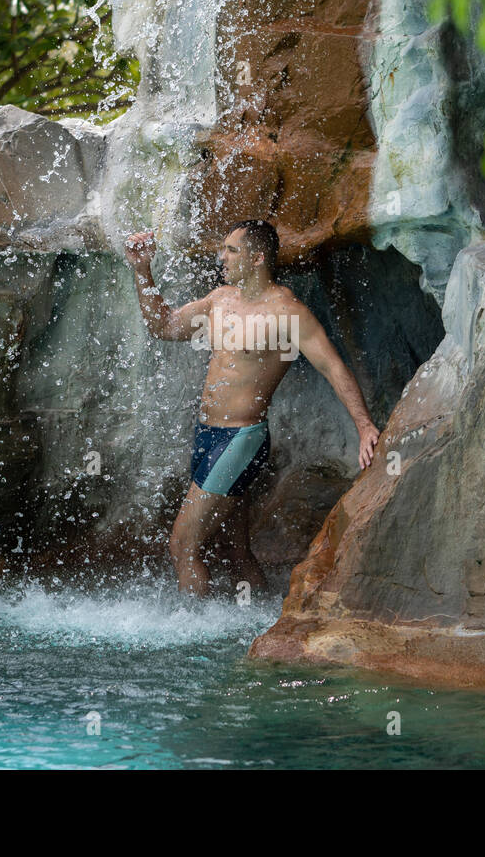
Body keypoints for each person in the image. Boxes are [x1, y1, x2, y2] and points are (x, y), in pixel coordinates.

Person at [122, 219, 380, 597]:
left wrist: (364, 425)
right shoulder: (220, 299)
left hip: (241, 440)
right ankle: (256, 616)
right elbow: (164, 325)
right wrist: (142, 270)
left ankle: (188, 636)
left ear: (257, 258)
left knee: (183, 544)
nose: (222, 256)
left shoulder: (286, 312)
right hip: (207, 434)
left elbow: (331, 365)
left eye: (232, 250)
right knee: (233, 548)